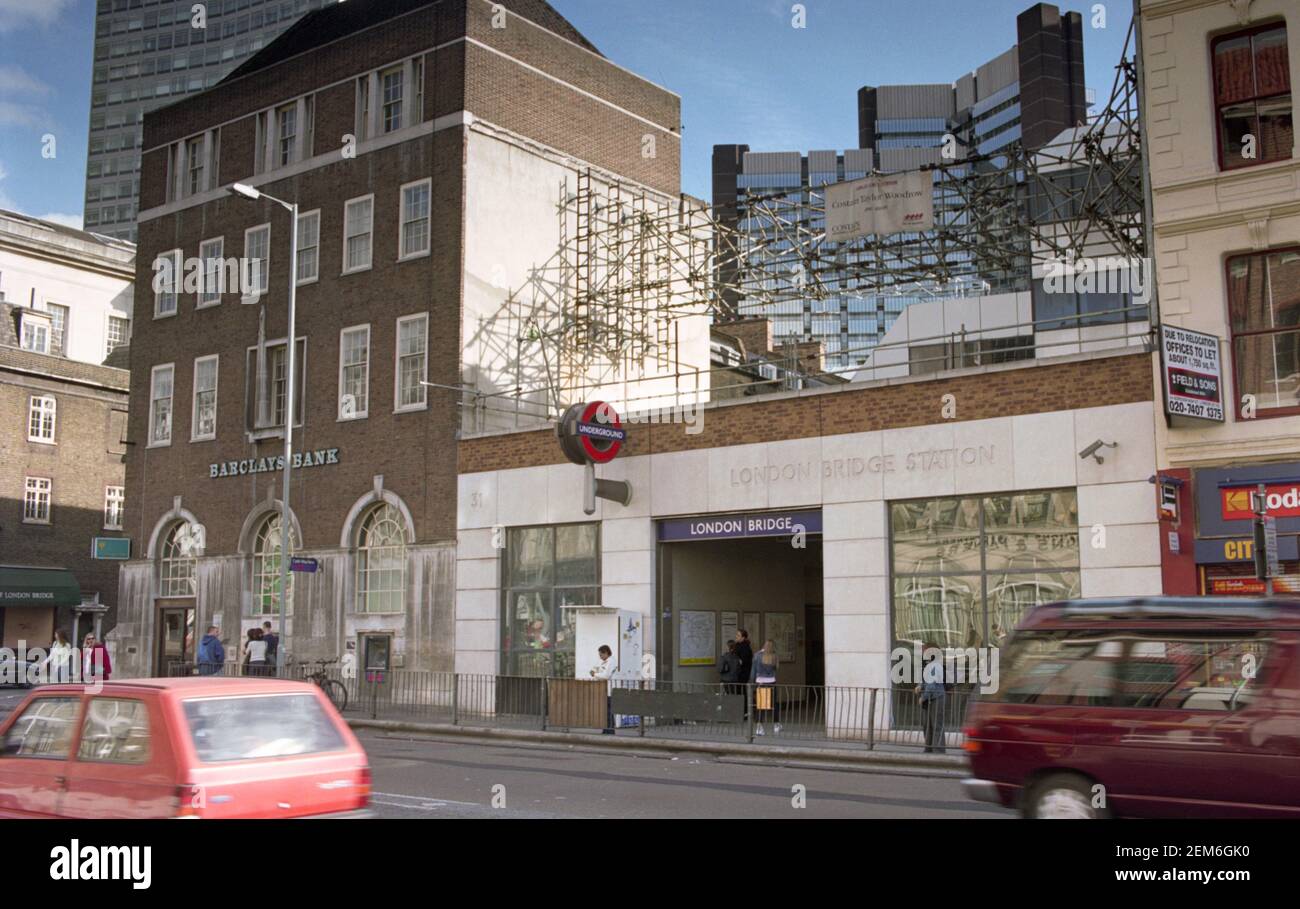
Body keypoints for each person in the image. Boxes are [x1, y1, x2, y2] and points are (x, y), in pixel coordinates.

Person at [918, 643, 947, 754]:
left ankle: (938, 750)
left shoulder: (935, 666)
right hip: (932, 698)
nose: (922, 654)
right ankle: (929, 749)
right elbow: (926, 681)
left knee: (936, 725)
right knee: (928, 725)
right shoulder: (930, 665)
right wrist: (920, 686)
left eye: (924, 651)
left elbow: (931, 684)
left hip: (936, 697)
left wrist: (923, 697)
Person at [751, 639, 780, 735]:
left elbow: (753, 670)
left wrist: (752, 681)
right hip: (771, 681)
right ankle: (776, 724)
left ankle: (759, 727)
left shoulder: (757, 655)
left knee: (761, 705)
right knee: (774, 704)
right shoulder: (774, 655)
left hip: (760, 682)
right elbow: (776, 669)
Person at [590, 644, 615, 734]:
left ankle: (610, 730)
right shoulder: (603, 662)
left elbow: (606, 675)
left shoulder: (611, 662)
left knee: (609, 711)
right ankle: (606, 729)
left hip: (609, 690)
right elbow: (597, 670)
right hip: (603, 690)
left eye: (601, 655)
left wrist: (595, 674)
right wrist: (594, 671)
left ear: (606, 653)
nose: (600, 657)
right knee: (605, 711)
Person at [735, 628, 754, 717]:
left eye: (738, 635)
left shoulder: (745, 648)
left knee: (742, 692)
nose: (736, 637)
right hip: (739, 673)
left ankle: (745, 711)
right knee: (739, 691)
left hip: (743, 673)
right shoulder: (737, 645)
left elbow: (743, 661)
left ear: (743, 637)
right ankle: (740, 710)